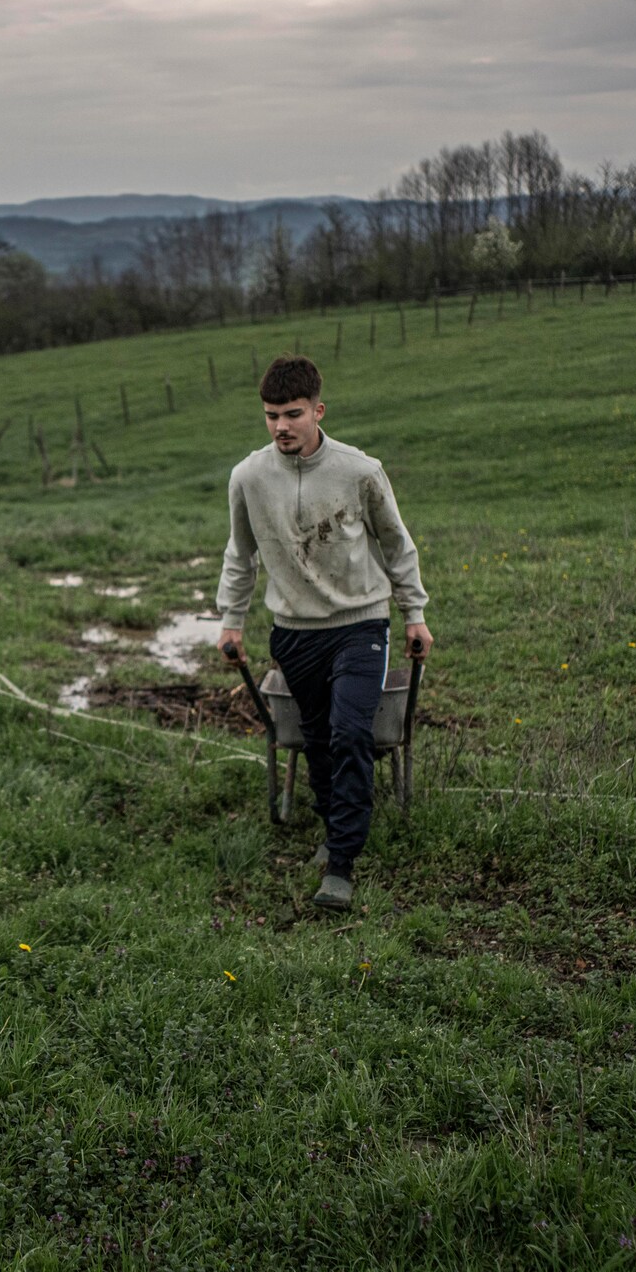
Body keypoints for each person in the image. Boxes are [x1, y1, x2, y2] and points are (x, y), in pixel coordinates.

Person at [216, 355, 430, 912]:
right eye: (271, 416)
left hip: (361, 623)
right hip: (293, 631)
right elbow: (241, 556)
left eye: (292, 414)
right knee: (315, 739)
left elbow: (396, 544)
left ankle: (341, 861)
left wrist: (415, 614)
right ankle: (334, 823)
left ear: (318, 411)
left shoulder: (360, 471)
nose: (281, 426)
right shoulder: (248, 477)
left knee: (349, 733)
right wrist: (230, 621)